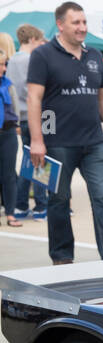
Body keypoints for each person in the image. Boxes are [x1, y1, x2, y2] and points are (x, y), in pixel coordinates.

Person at [26, 1, 103, 264]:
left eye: (84, 22)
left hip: (94, 143)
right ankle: (62, 258)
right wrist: (37, 140)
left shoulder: (94, 55)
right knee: (58, 201)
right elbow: (34, 99)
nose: (82, 28)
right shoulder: (43, 55)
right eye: (76, 23)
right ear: (60, 24)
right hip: (56, 144)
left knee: (102, 198)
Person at [10, 24, 48, 221]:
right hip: (36, 116)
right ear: (33, 39)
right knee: (41, 163)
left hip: (20, 117)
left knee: (27, 162)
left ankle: (21, 205)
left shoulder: (12, 60)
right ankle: (42, 206)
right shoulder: (31, 60)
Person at [0, 53, 19, 226]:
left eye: (4, 64)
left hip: (8, 133)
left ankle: (11, 213)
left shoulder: (8, 85)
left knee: (9, 174)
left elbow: (15, 107)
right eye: (0, 65)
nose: (4, 68)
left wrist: (16, 124)